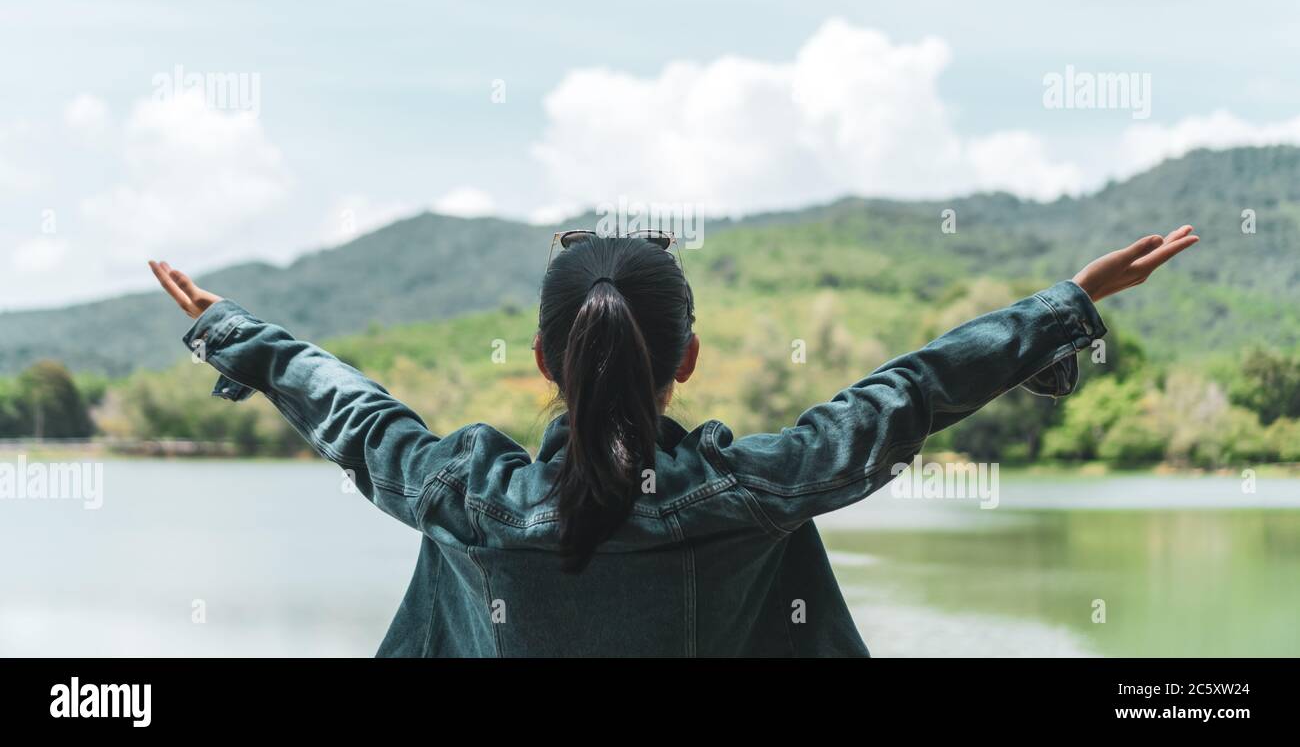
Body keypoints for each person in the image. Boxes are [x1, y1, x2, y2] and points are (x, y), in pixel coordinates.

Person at [148, 224, 1197, 656]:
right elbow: (907, 392)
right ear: (685, 358)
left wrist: (232, 329)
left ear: (546, 362)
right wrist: (1062, 306)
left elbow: (358, 417)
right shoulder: (752, 490)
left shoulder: (468, 496)